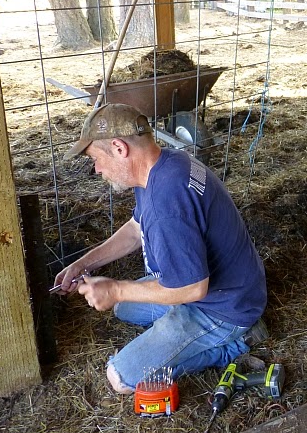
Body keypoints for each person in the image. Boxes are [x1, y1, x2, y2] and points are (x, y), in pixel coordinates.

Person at [53, 103, 268, 394]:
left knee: (122, 378)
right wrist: (84, 265)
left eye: (96, 158)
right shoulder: (167, 163)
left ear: (119, 148)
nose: (97, 169)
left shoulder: (165, 204)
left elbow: (192, 289)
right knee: (123, 309)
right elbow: (135, 229)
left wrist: (116, 288)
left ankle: (233, 346)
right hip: (235, 283)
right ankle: (173, 331)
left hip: (222, 308)